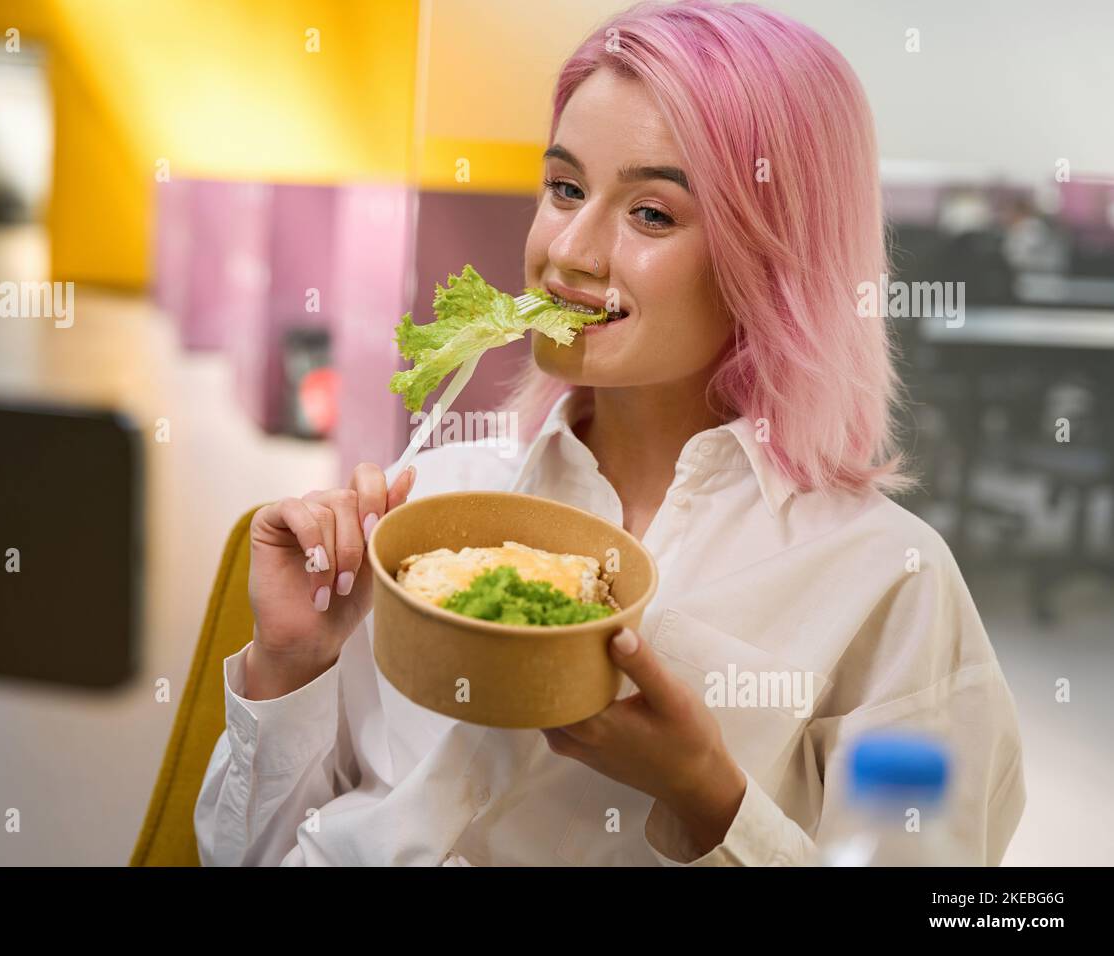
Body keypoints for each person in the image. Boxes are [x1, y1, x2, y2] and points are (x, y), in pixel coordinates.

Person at [195, 0, 1025, 866]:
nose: (572, 252)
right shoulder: (432, 505)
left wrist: (708, 797)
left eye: (652, 214)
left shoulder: (886, 580)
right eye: (564, 189)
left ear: (774, 262)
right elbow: (237, 854)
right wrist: (291, 665)